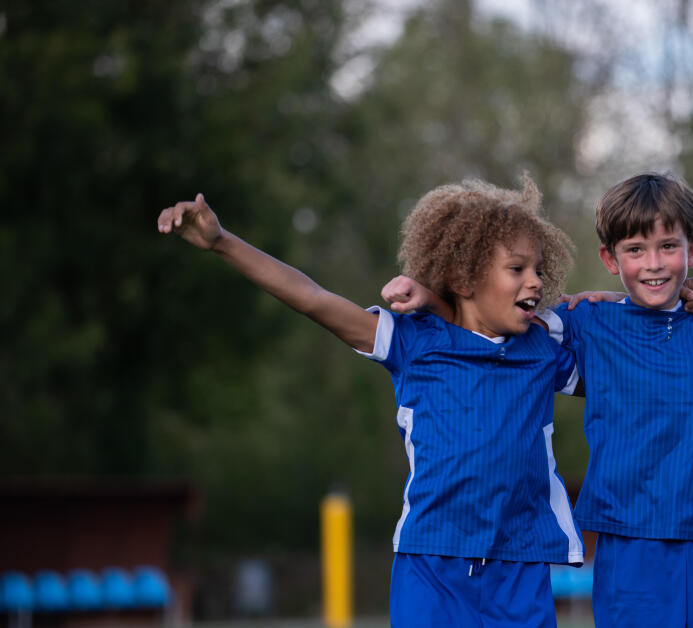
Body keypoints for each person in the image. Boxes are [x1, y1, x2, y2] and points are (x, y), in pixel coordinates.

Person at [157, 176, 586, 627]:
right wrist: (222, 241)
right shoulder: (415, 343)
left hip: (521, 568)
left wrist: (658, 292)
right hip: (431, 565)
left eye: (539, 269)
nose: (536, 281)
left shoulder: (543, 349)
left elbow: (623, 363)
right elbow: (311, 297)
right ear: (463, 276)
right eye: (517, 269)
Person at [384, 172, 693, 627]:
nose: (654, 263)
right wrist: (430, 298)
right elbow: (490, 315)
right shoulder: (585, 323)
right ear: (610, 258)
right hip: (628, 548)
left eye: (669, 246)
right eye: (635, 250)